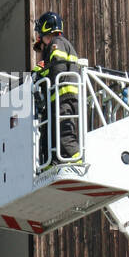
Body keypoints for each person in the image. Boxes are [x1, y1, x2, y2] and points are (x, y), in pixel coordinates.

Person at [31, 11, 82, 163]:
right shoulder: (58, 44)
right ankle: (50, 165)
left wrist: (41, 74)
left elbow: (57, 69)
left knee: (64, 134)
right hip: (57, 99)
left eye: (42, 39)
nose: (42, 49)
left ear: (47, 32)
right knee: (49, 135)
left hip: (64, 96)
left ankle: (78, 162)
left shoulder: (57, 43)